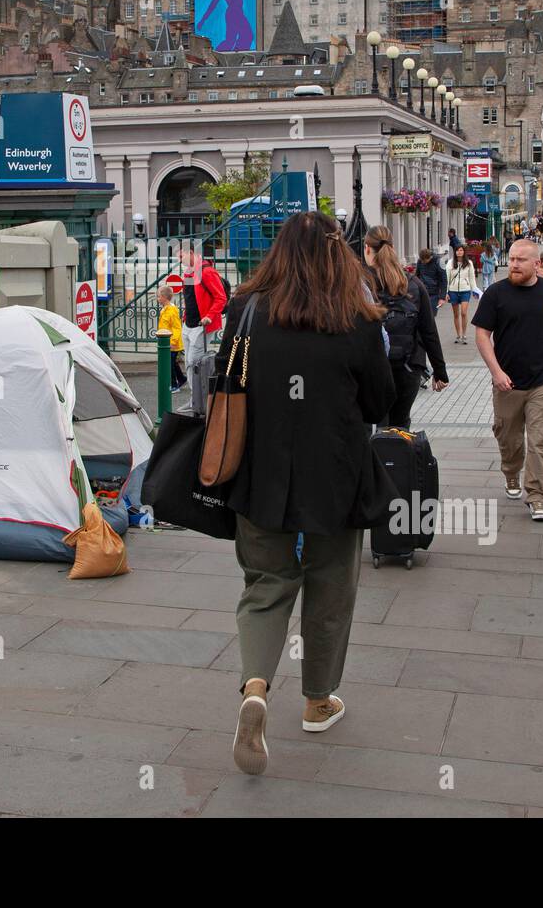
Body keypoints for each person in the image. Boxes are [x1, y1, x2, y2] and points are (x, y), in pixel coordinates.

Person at [219, 211, 396, 776]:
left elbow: (225, 382)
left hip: (260, 472)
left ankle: (255, 689)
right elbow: (380, 404)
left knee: (266, 583)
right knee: (331, 587)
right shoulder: (359, 322)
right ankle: (319, 701)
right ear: (335, 256)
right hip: (336, 476)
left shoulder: (245, 312)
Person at [472, 238, 543, 522]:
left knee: (541, 440)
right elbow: (481, 335)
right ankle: (511, 472)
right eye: (511, 259)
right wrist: (497, 372)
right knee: (509, 439)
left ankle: (538, 497)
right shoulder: (495, 293)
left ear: (536, 264)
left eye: (520, 260)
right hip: (507, 382)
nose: (513, 264)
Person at [362, 225, 449, 427]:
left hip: (372, 368)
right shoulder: (414, 284)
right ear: (392, 247)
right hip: (408, 365)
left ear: (367, 248)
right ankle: (398, 457)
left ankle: (377, 458)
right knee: (400, 424)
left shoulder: (360, 283)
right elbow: (429, 331)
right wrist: (439, 371)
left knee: (372, 425)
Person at [179, 244, 228, 415]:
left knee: (194, 362)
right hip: (189, 324)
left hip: (202, 325)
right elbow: (191, 297)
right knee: (188, 363)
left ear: (191, 253)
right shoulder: (190, 272)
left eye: (181, 256)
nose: (180, 259)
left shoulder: (207, 272)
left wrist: (209, 315)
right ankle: (195, 399)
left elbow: (220, 297)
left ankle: (199, 401)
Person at [445, 243, 478, 344]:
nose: (459, 252)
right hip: (453, 290)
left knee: (463, 312)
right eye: (457, 250)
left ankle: (464, 334)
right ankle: (458, 334)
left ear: (464, 252)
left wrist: (475, 290)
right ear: (455, 252)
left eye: (461, 250)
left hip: (465, 290)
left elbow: (472, 278)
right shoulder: (450, 263)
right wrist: (445, 292)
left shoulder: (469, 263)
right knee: (456, 314)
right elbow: (447, 279)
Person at [156, 285, 186, 390]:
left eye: (159, 296)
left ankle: (174, 385)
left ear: (164, 297)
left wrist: (172, 342)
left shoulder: (172, 310)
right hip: (166, 341)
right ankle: (182, 379)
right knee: (172, 363)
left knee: (169, 364)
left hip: (172, 343)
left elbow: (177, 328)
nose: (157, 298)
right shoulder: (165, 309)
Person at [415, 247, 448, 312]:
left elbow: (444, 280)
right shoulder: (420, 261)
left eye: (424, 261)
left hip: (434, 294)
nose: (423, 262)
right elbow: (417, 276)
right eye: (421, 260)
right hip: (422, 292)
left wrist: (442, 297)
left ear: (430, 257)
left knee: (431, 315)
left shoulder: (439, 261)